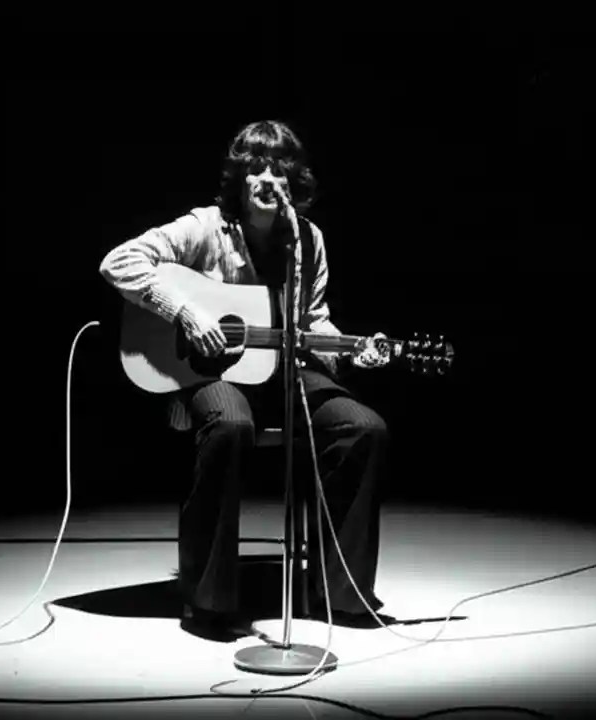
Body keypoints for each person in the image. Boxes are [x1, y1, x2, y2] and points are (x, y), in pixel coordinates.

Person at [98, 120, 393, 640]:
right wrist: (186, 313)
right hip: (215, 375)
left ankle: (340, 594)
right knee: (231, 423)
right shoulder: (205, 227)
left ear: (293, 181)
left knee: (362, 427)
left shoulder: (307, 238)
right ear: (238, 178)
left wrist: (351, 352)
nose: (265, 178)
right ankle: (209, 600)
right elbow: (117, 262)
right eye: (254, 167)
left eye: (277, 169)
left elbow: (313, 321)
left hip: (284, 373)